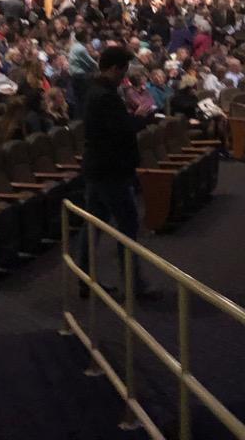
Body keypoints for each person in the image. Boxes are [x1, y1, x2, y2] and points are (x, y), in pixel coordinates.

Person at [75, 47, 158, 301]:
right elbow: (118, 131)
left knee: (94, 224)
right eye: (123, 70)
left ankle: (85, 279)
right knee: (127, 226)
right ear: (114, 68)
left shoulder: (95, 91)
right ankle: (134, 285)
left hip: (98, 166)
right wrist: (140, 118)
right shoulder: (104, 96)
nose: (124, 76)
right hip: (111, 169)